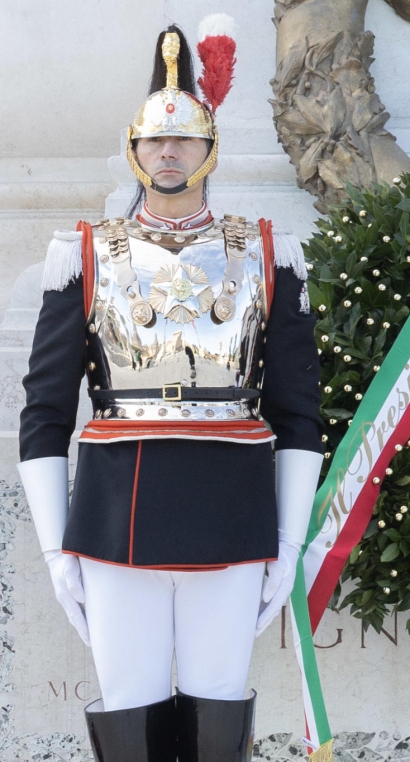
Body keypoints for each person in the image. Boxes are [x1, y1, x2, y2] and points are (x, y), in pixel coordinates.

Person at [17, 22, 323, 761]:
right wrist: (59, 549)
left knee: (220, 712)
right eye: (156, 141)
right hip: (117, 518)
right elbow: (45, 416)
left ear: (209, 149)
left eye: (184, 140)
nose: (170, 153)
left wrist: (287, 541)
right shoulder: (82, 256)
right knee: (131, 713)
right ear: (135, 150)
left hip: (233, 513)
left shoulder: (268, 255)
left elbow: (298, 414)